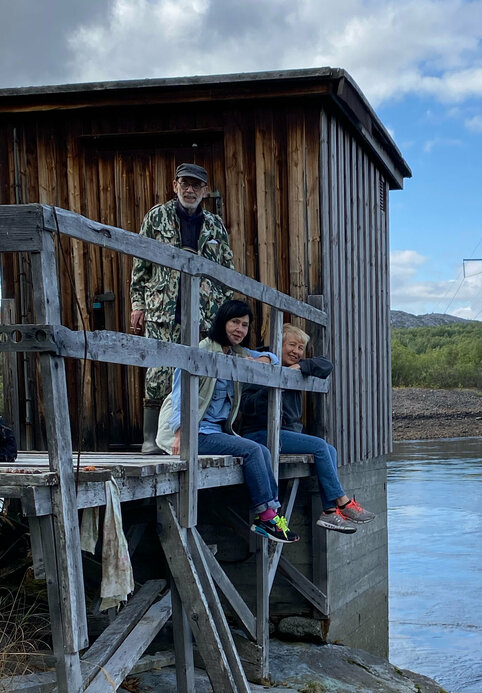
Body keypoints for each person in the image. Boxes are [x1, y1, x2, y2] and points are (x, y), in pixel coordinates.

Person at [155, 300, 299, 544]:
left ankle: (272, 515)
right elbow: (180, 393)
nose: (239, 329)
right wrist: (181, 433)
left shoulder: (235, 353)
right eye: (235, 322)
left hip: (216, 432)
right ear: (222, 321)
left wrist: (253, 363)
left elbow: (273, 359)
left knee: (263, 450)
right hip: (194, 431)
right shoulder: (202, 349)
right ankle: (266, 517)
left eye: (244, 325)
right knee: (253, 450)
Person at [130, 162, 235, 453]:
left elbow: (227, 269)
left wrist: (227, 313)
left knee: (199, 374)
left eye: (196, 185)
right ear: (175, 185)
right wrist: (137, 304)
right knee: (158, 373)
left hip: (204, 313)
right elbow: (141, 263)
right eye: (185, 184)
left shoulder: (215, 225)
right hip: (163, 308)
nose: (190, 190)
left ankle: (195, 434)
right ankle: (151, 439)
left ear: (204, 189)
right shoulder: (156, 217)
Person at [239, 324, 375, 534]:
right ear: (278, 344)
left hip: (286, 434)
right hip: (260, 434)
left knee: (330, 450)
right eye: (292, 345)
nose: (296, 351)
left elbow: (326, 365)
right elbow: (247, 405)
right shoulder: (262, 365)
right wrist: (274, 388)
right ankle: (342, 504)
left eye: (300, 347)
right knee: (321, 446)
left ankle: (329, 512)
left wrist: (302, 367)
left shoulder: (298, 367)